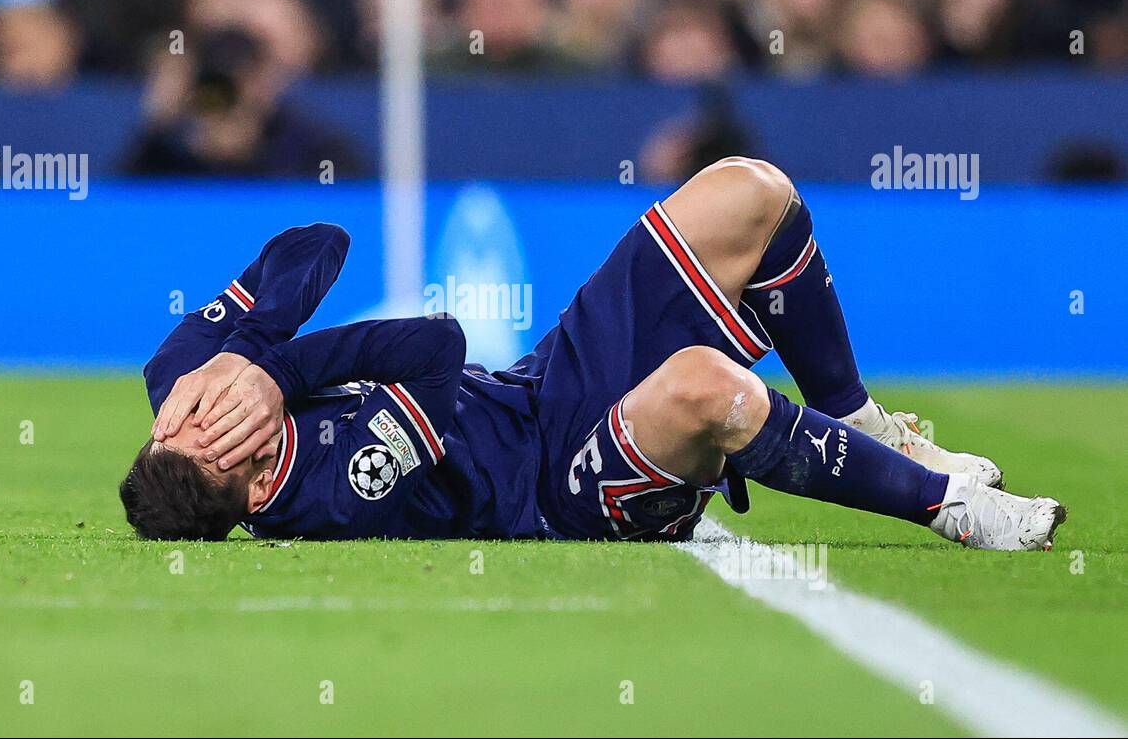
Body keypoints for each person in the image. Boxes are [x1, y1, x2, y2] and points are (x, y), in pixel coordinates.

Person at [120, 157, 1065, 551]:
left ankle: (869, 424)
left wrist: (242, 349)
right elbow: (439, 348)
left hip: (545, 381)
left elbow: (315, 243)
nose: (209, 412)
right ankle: (951, 511)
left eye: (185, 418)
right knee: (708, 389)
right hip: (562, 486)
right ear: (246, 487)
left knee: (749, 191)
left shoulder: (189, 383)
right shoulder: (334, 495)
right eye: (213, 435)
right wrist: (280, 372)